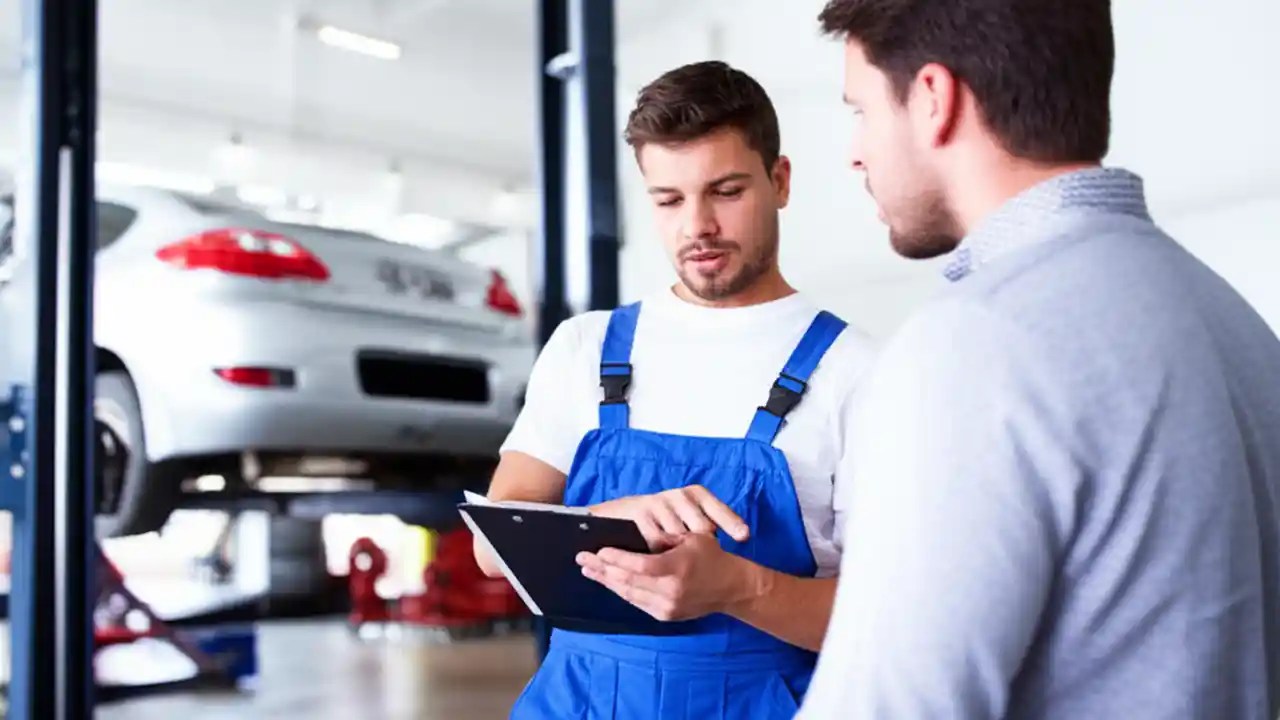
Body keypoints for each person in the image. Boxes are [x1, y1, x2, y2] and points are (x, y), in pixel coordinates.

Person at [798, 1, 1280, 718]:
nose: (855, 152)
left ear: (934, 98)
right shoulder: (1235, 322)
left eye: (861, 110)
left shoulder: (973, 347)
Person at [475, 60, 876, 719]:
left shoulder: (856, 371)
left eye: (725, 191)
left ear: (779, 182)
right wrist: (609, 520)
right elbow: (492, 547)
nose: (698, 227)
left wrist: (739, 588)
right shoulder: (586, 349)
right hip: (576, 701)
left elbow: (886, 623)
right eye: (669, 200)